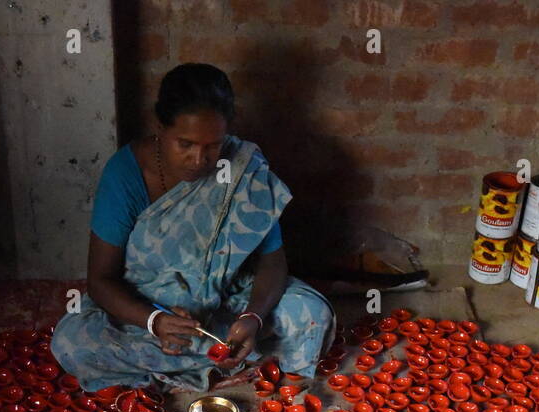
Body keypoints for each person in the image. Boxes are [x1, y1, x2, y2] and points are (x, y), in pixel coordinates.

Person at [51, 63, 334, 394]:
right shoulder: (125, 173)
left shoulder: (244, 169)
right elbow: (100, 280)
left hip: (229, 301)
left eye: (212, 146)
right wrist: (153, 320)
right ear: (160, 128)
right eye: (184, 144)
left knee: (311, 314)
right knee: (74, 343)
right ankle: (233, 363)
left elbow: (272, 261)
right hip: (149, 307)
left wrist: (253, 318)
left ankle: (220, 355)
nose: (199, 159)